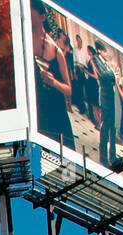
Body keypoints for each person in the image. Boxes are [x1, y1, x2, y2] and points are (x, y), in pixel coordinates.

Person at [30, 2, 73, 148]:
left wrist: (53, 82)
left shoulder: (56, 51)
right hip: (36, 109)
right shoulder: (23, 39)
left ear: (42, 17)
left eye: (31, 12)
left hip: (55, 111)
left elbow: (68, 89)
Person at [91, 41, 119, 168]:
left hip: (111, 95)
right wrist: (112, 72)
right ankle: (103, 156)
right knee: (105, 126)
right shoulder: (96, 60)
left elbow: (113, 78)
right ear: (100, 50)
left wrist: (112, 73)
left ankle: (112, 155)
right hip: (105, 96)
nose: (107, 54)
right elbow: (105, 76)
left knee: (112, 127)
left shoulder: (106, 63)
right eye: (105, 51)